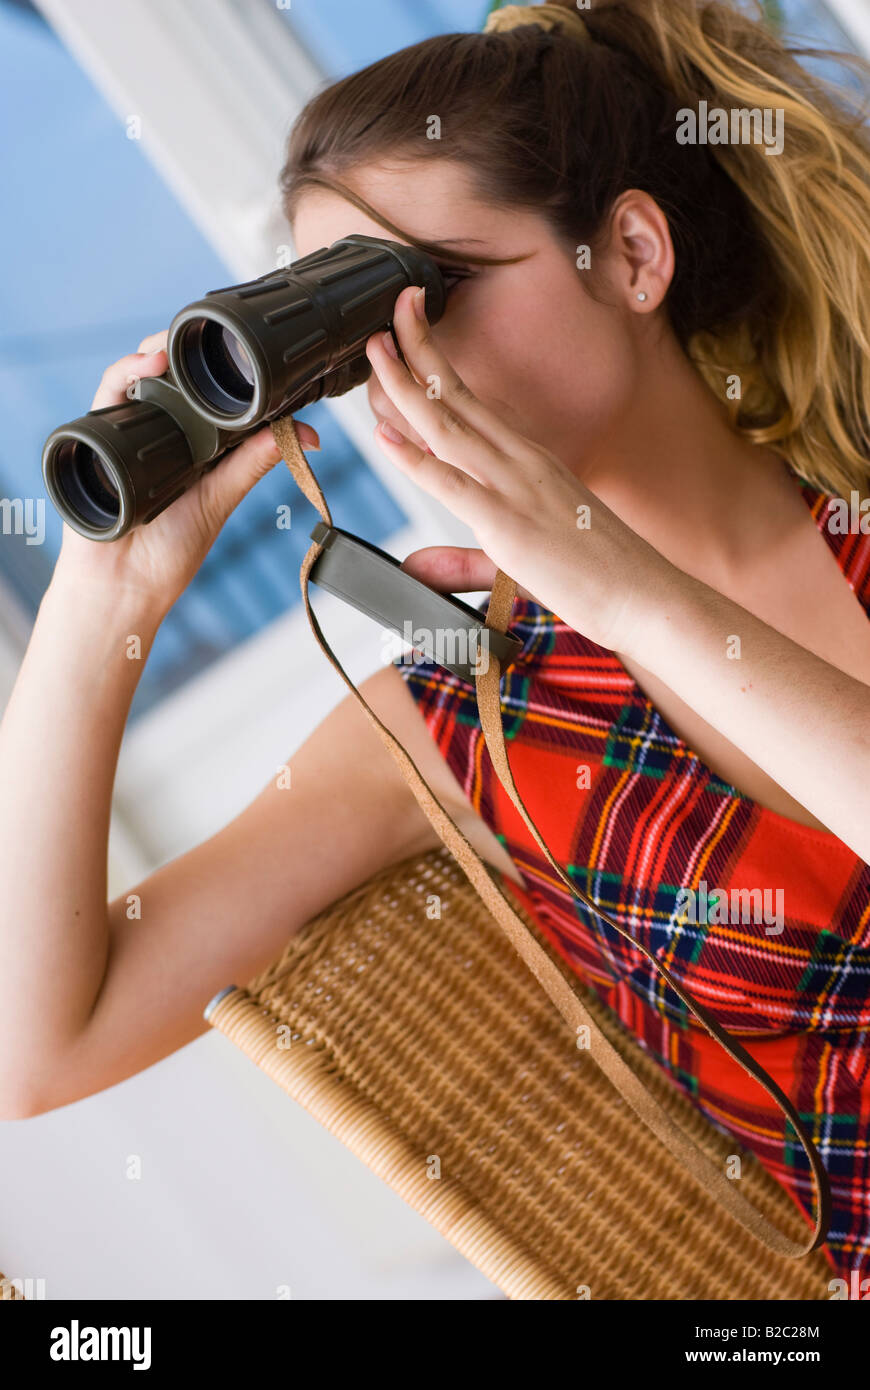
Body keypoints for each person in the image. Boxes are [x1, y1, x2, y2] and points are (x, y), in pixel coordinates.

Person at [1, 0, 868, 1284]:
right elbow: (36, 1044)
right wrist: (104, 598)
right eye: (348, 339)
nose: (403, 370)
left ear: (632, 254)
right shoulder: (477, 709)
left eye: (431, 291)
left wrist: (624, 586)